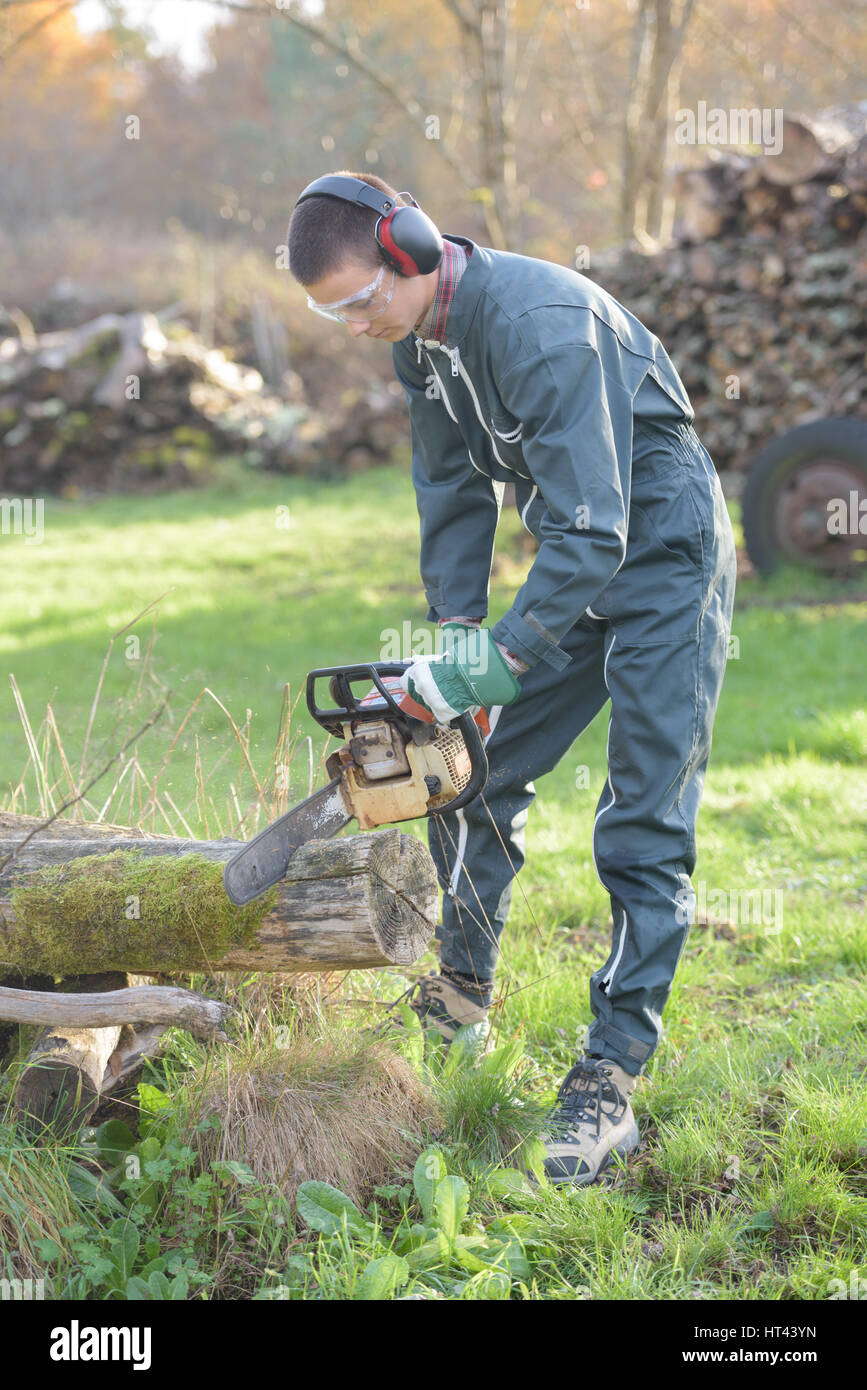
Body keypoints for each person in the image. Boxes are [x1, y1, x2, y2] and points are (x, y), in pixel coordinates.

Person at [286, 170, 737, 1186]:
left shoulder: (538, 322)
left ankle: (610, 1072)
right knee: (470, 773)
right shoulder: (423, 346)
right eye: (332, 312)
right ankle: (460, 995)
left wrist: (493, 659)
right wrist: (457, 648)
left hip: (658, 551)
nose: (355, 326)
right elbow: (449, 489)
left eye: (361, 301)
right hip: (571, 560)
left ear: (410, 245)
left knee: (643, 814)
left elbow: (597, 527)